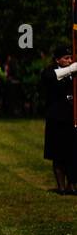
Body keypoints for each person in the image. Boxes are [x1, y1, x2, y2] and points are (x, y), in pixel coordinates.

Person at [41, 46, 77, 194]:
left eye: (70, 58)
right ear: (57, 59)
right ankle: (61, 186)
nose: (69, 61)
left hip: (72, 118)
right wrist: (71, 69)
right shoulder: (49, 72)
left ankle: (72, 184)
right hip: (56, 118)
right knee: (58, 154)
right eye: (65, 58)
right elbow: (51, 77)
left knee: (73, 153)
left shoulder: (73, 73)